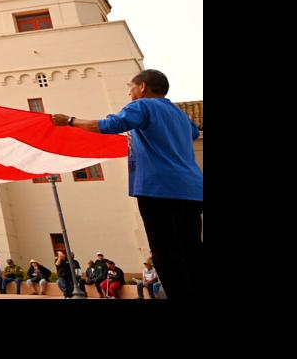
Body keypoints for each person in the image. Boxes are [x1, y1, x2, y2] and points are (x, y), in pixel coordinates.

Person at [51, 69, 201, 298]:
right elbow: (191, 133)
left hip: (159, 189)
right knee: (191, 249)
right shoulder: (181, 115)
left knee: (165, 253)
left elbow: (108, 125)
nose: (130, 93)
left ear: (142, 87)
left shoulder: (142, 106)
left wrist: (70, 121)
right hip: (192, 190)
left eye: (131, 87)